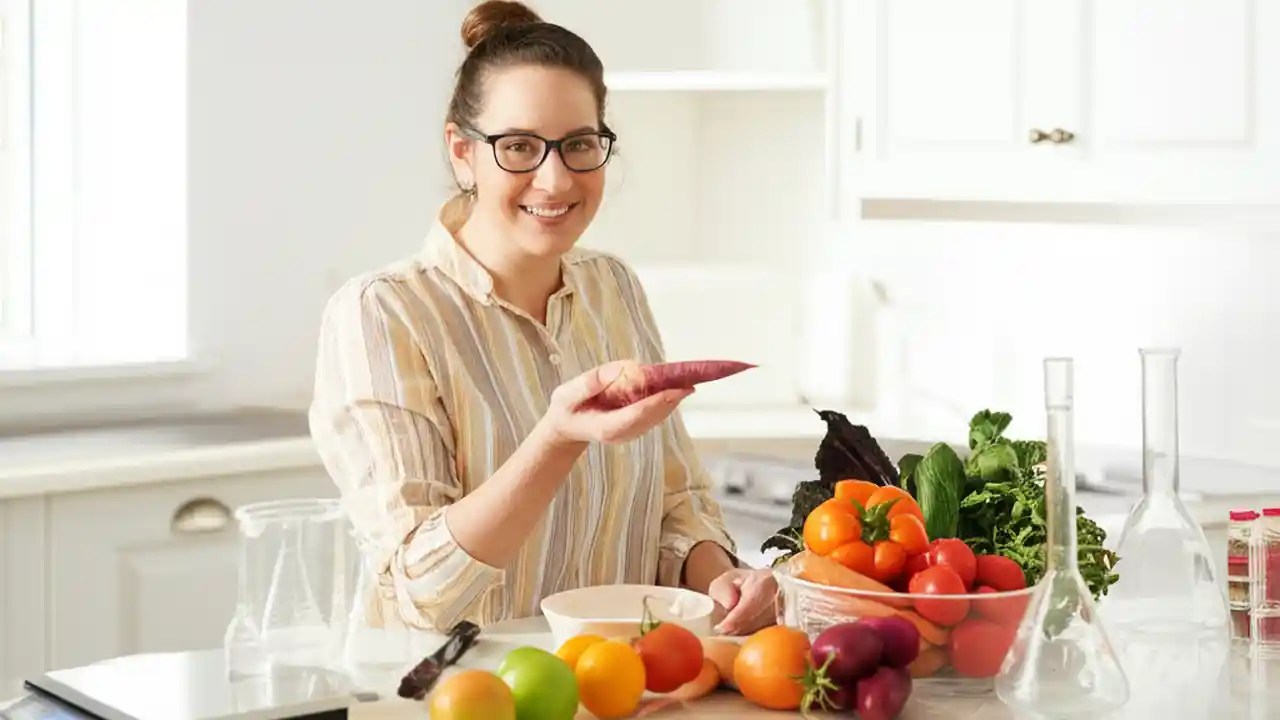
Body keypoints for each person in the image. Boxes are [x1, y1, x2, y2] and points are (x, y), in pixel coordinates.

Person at [308, 0, 777, 638]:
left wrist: (717, 574)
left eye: (580, 144)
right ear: (461, 152)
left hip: (618, 689)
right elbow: (421, 590)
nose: (555, 180)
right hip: (457, 697)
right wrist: (556, 440)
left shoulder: (614, 287)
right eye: (519, 146)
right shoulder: (384, 313)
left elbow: (676, 501)